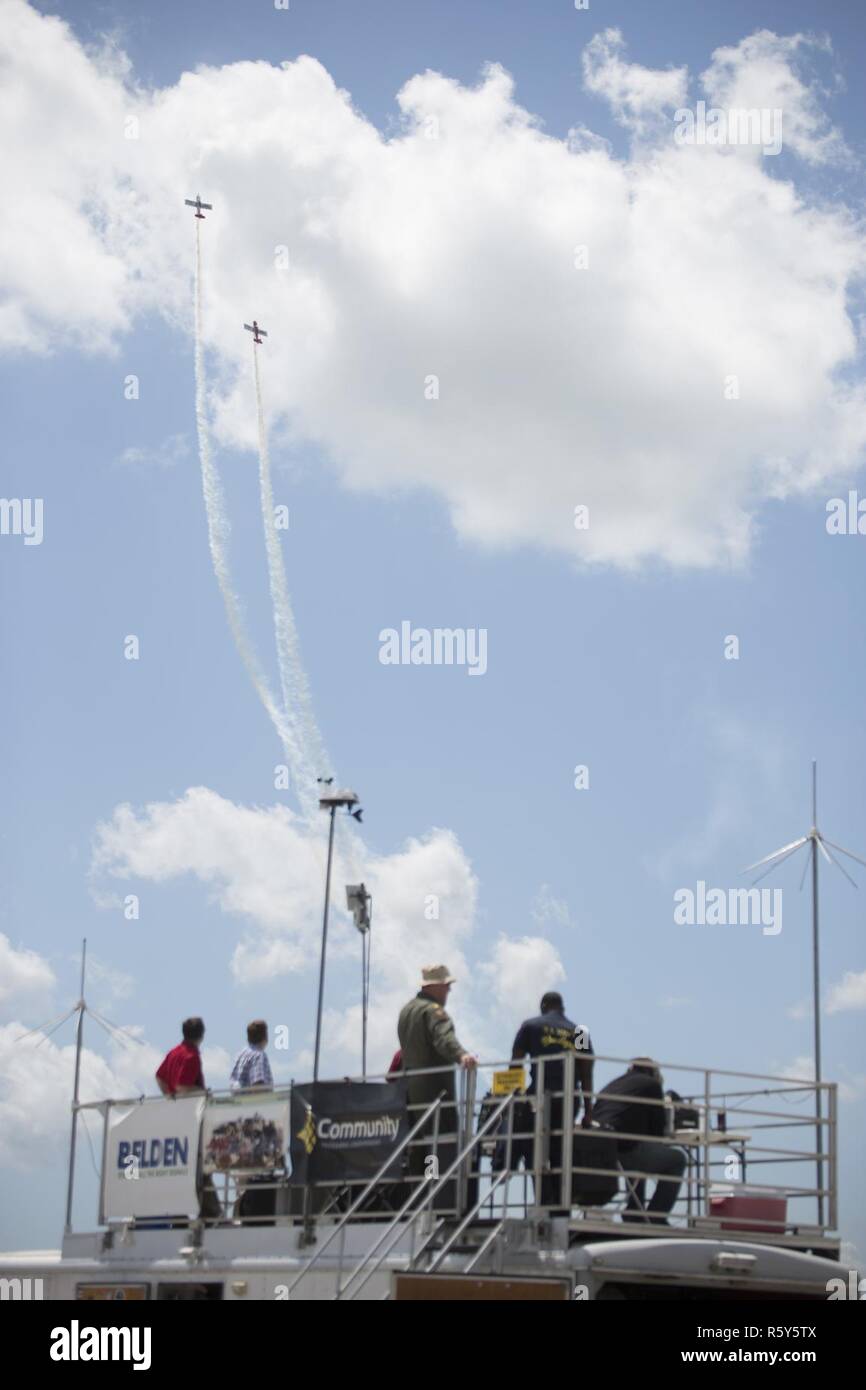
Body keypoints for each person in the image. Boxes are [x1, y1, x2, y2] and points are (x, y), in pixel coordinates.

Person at [398, 964, 476, 1209]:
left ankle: (418, 1203)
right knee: (441, 1146)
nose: (449, 992)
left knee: (417, 1149)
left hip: (410, 1093)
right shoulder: (434, 1012)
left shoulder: (406, 1011)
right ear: (436, 987)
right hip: (436, 1093)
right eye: (447, 986)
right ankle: (441, 1204)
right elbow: (444, 1038)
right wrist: (462, 1055)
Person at [511, 992, 595, 1209]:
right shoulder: (580, 1031)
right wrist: (588, 1111)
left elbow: (516, 1064)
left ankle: (543, 1199)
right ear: (562, 1008)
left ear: (543, 1006)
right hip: (569, 1099)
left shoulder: (530, 1026)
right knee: (560, 1149)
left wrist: (513, 1097)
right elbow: (587, 1072)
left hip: (538, 1097)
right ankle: (559, 1201)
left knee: (532, 1147)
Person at [592, 1057, 686, 1224]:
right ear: (653, 1073)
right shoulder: (651, 1085)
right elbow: (657, 1132)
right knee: (677, 1160)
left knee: (636, 1150)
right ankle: (656, 1216)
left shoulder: (611, 1085)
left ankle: (634, 1210)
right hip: (625, 1150)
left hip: (600, 1151)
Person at [156, 1017, 206, 1096]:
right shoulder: (192, 1057)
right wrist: (203, 1092)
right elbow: (182, 1087)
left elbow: (159, 1077)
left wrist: (169, 1097)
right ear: (201, 1036)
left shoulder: (173, 1053)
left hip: (173, 1106)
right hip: (188, 1106)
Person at [230, 1019, 273, 1091]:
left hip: (238, 1100)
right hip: (253, 1101)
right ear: (265, 1037)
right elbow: (258, 1084)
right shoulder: (258, 1055)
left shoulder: (240, 1055)